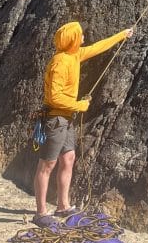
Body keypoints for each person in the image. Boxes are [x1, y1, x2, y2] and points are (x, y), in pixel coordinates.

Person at [33, 20, 133, 222]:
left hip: (66, 119)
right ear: (72, 40)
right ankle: (41, 213)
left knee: (68, 159)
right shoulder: (60, 62)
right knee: (47, 164)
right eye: (80, 35)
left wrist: (122, 35)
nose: (84, 38)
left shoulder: (74, 55)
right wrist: (79, 105)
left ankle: (63, 206)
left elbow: (98, 47)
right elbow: (54, 97)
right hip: (55, 119)